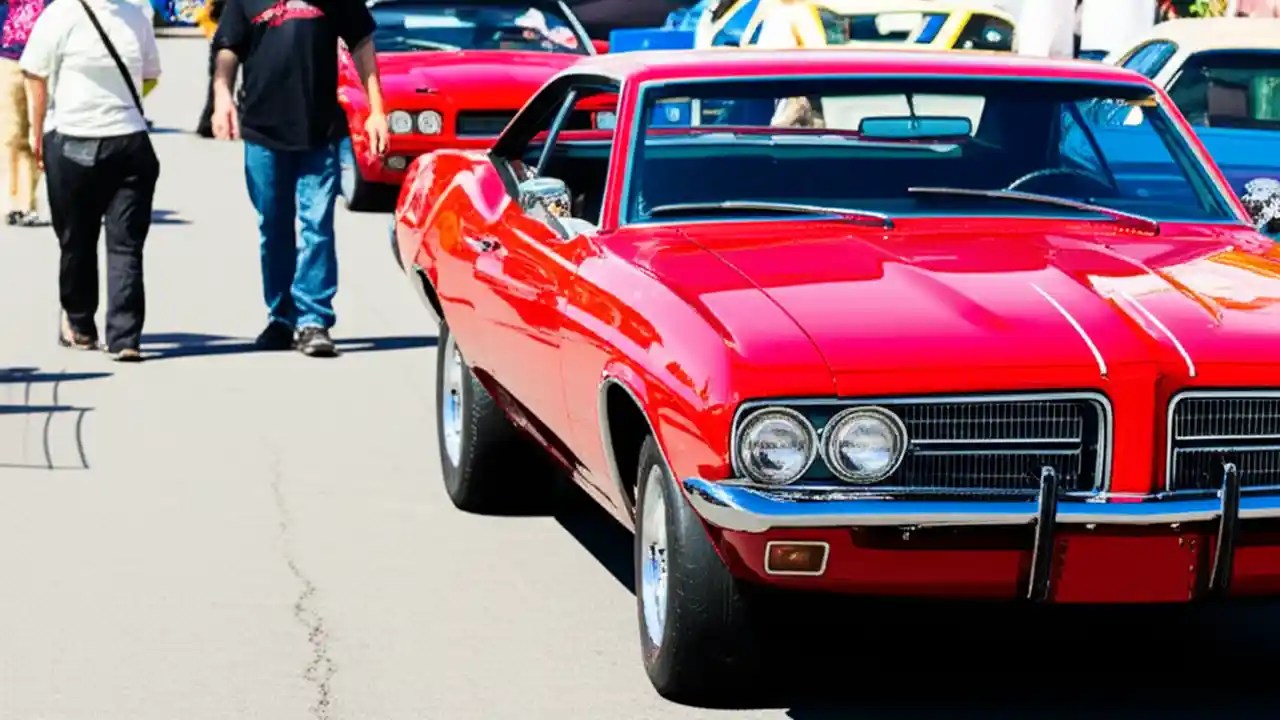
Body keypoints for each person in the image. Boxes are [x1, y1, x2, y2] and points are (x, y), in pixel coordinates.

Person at [210, 0, 389, 357]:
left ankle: (313, 320)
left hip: (319, 131)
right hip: (262, 131)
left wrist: (377, 110)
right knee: (273, 226)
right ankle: (281, 318)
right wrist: (222, 97)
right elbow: (229, 47)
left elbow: (362, 43)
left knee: (317, 226)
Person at [20, 0, 161, 362]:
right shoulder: (136, 16)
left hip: (72, 138)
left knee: (76, 240)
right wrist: (119, 105)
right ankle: (125, 337)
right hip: (129, 139)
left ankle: (81, 325)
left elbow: (34, 73)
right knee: (126, 244)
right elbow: (149, 76)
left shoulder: (60, 14)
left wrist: (38, 135)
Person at [1, 0, 45, 227]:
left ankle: (27, 202)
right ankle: (13, 202)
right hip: (7, 59)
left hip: (43, 64)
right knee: (10, 135)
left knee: (36, 136)